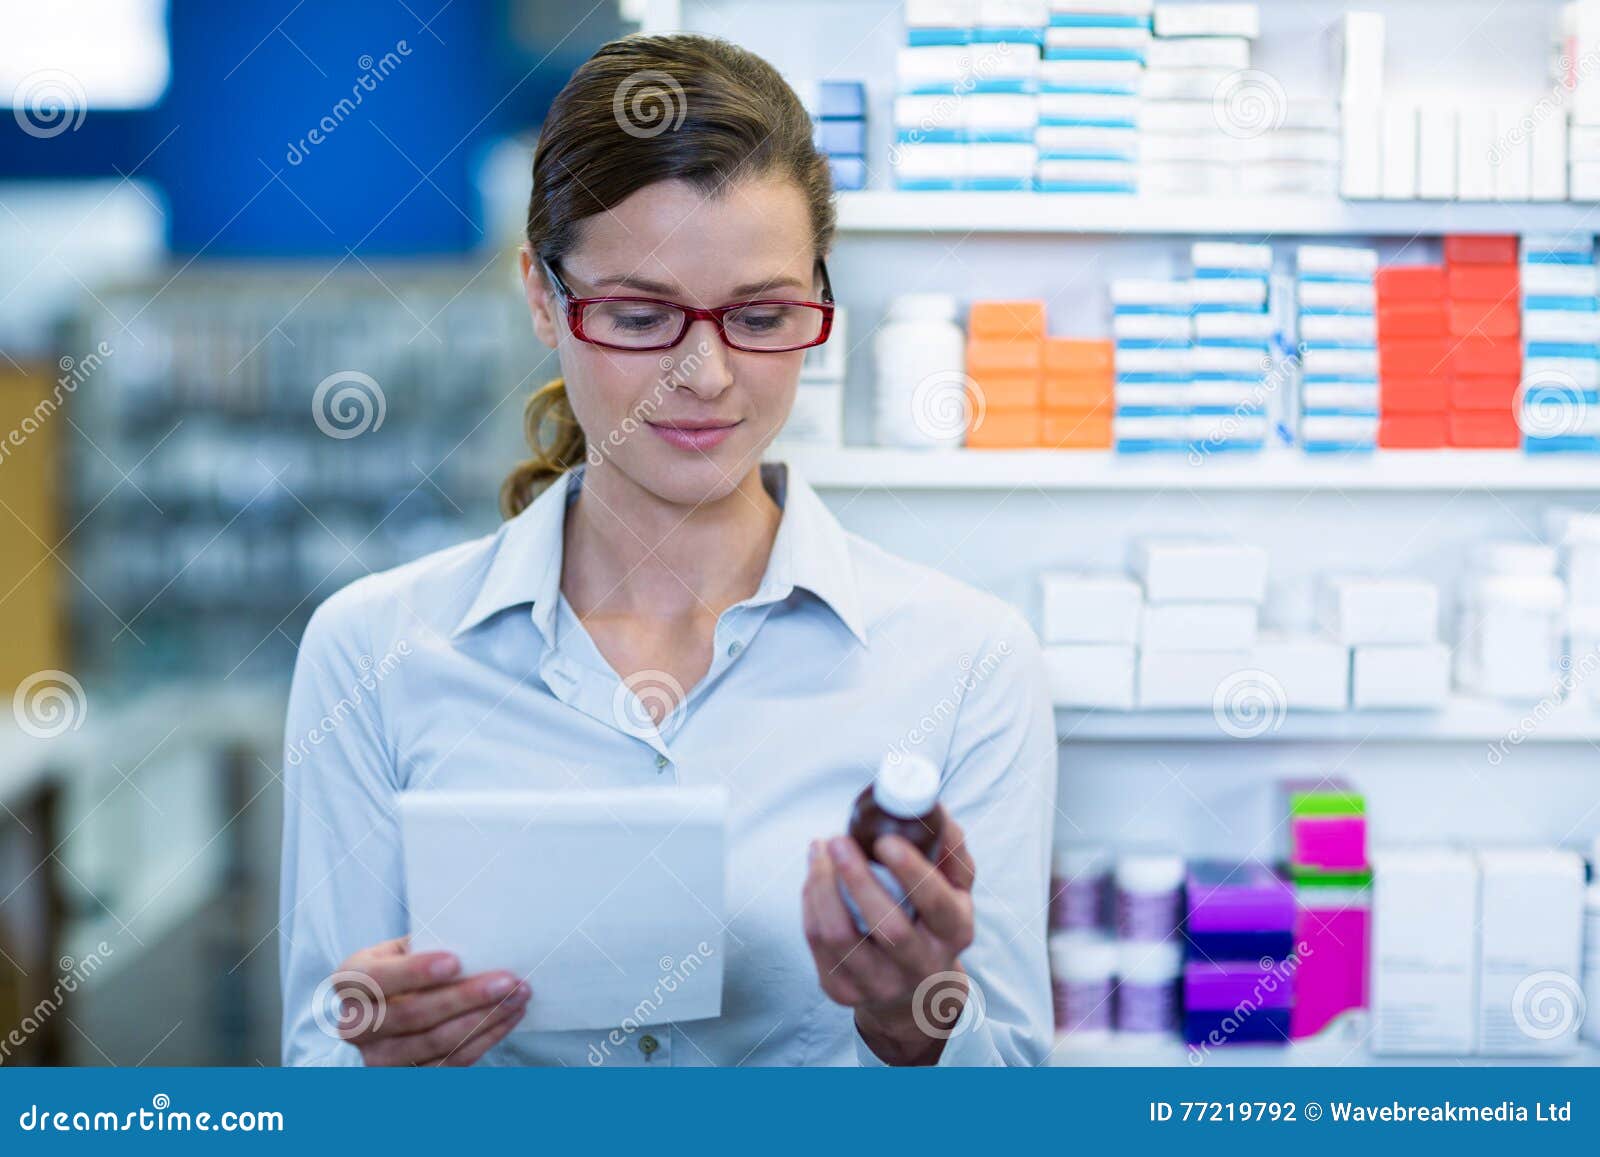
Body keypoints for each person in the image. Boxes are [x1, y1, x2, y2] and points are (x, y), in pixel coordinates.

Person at [280, 32, 1057, 1067]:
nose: (704, 374)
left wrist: (913, 1023)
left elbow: (1016, 1097)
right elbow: (315, 1069)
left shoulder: (966, 662)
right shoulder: (374, 649)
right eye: (640, 315)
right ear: (542, 297)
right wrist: (379, 1062)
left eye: (763, 314)